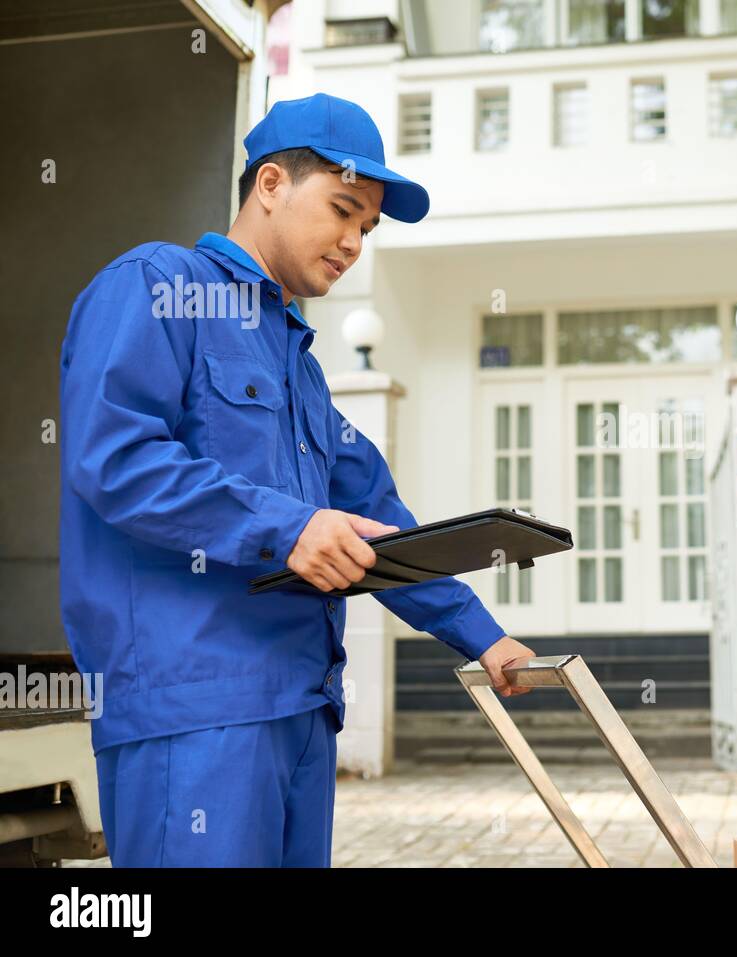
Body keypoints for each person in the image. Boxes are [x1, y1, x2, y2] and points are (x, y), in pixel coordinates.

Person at [58, 92, 535, 867]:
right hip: (196, 711)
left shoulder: (301, 373)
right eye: (343, 209)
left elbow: (381, 523)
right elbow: (113, 458)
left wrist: (485, 637)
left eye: (368, 228)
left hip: (303, 710)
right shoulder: (155, 286)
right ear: (271, 184)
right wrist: (287, 527)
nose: (353, 243)